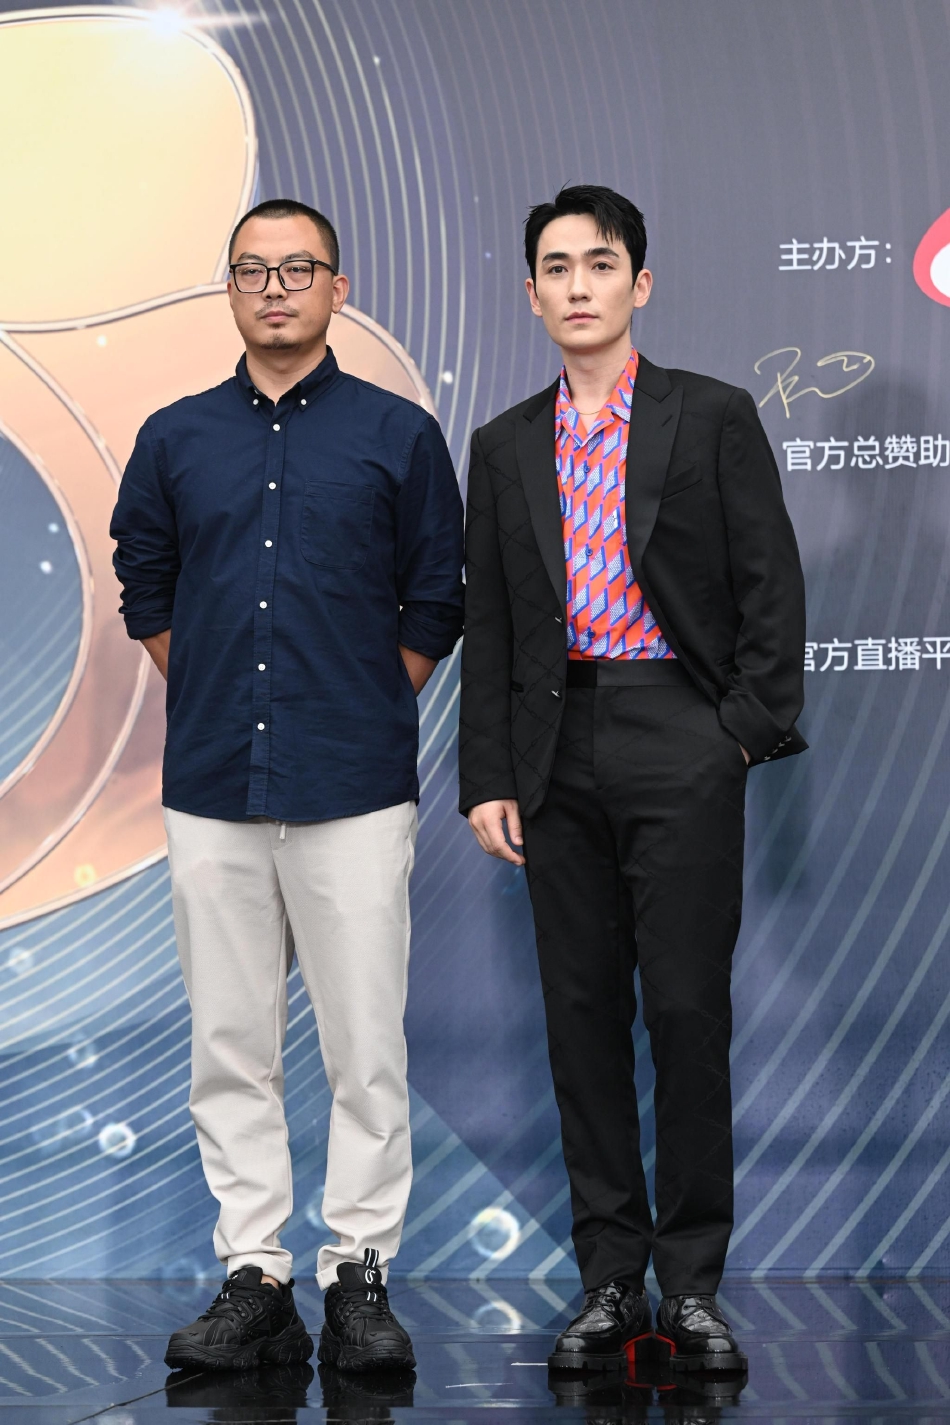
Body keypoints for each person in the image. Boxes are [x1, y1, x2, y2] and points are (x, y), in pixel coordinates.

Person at [111, 198, 464, 1373]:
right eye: (252, 270)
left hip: (354, 784)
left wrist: (359, 695)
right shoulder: (173, 437)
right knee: (230, 1043)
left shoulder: (397, 434)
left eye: (296, 269)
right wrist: (215, 684)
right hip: (212, 781)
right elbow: (145, 590)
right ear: (228, 288)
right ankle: (254, 1272)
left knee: (365, 1046)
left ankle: (359, 1273)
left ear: (337, 287)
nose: (274, 288)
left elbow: (435, 600)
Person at [459, 185, 806, 1374]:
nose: (575, 286)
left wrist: (740, 734)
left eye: (597, 265)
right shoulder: (503, 444)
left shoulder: (706, 415)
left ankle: (692, 1284)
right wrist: (486, 776)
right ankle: (608, 1281)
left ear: (637, 284)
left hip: (680, 734)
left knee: (684, 1012)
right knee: (581, 1019)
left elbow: (769, 582)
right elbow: (495, 624)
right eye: (553, 268)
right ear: (531, 293)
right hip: (557, 748)